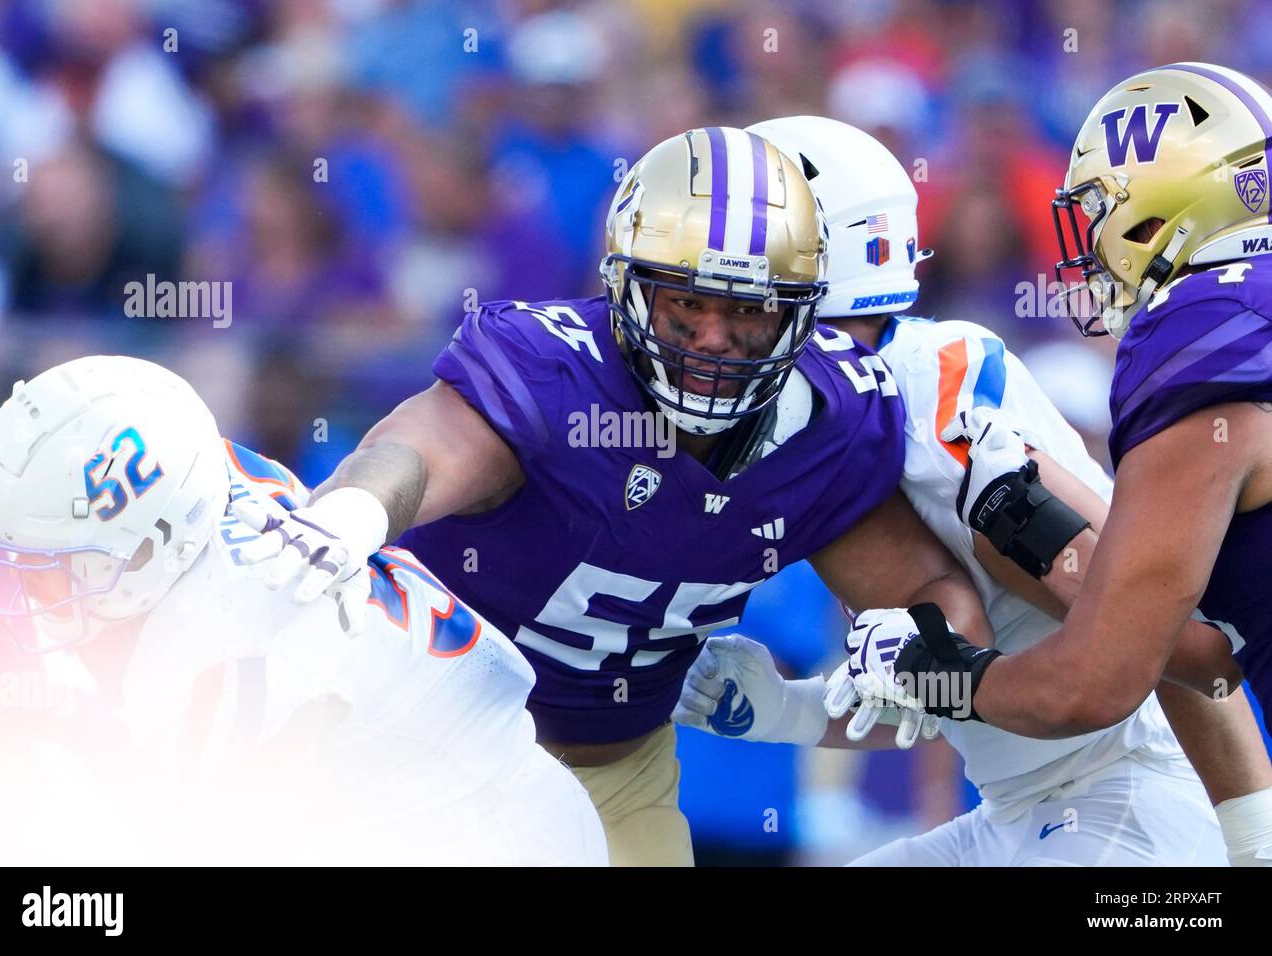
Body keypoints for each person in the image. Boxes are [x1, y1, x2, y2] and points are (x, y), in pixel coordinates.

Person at [233, 127, 994, 865]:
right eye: (684, 306)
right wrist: (355, 509)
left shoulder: (833, 425)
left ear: (802, 312)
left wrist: (915, 656)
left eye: (749, 310)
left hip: (612, 778)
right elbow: (417, 454)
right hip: (414, 738)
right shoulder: (555, 373)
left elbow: (934, 595)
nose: (713, 339)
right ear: (625, 287)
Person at [676, 115, 1272, 866]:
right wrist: (786, 711)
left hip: (1130, 797)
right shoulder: (815, 420)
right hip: (1024, 808)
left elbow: (1174, 647)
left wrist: (1253, 842)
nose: (703, 310)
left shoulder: (932, 397)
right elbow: (948, 677)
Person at [0, 355, 606, 865]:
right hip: (453, 774)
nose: (27, 589)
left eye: (50, 568)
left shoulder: (215, 658)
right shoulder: (189, 470)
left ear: (143, 554)